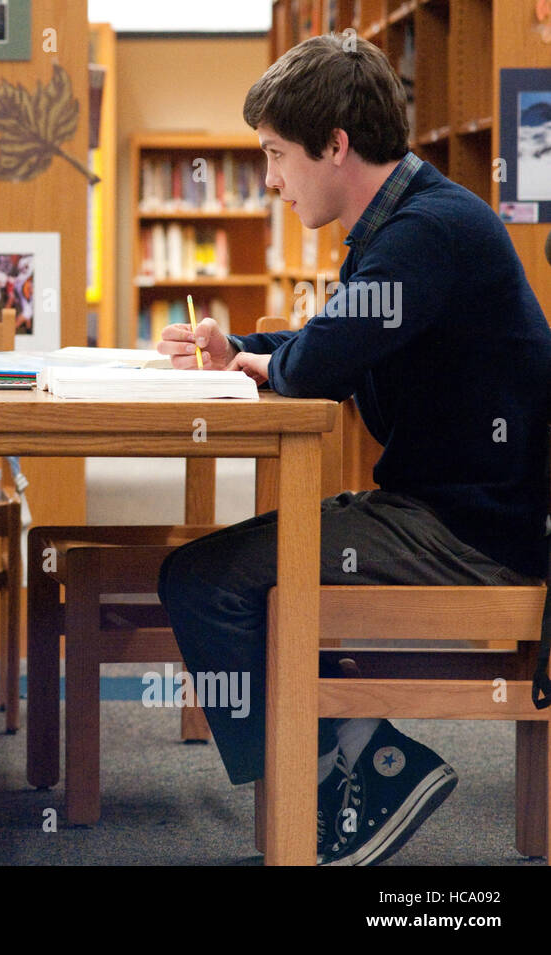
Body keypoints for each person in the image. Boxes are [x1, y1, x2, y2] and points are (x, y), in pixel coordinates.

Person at [156, 35, 551, 865]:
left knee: (203, 579)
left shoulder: (424, 234)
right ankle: (367, 756)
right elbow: (333, 342)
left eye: (275, 154)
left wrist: (269, 359)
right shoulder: (410, 224)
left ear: (335, 146)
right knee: (242, 572)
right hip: (452, 511)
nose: (269, 179)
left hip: (467, 533)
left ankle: (343, 787)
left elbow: (320, 366)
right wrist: (244, 348)